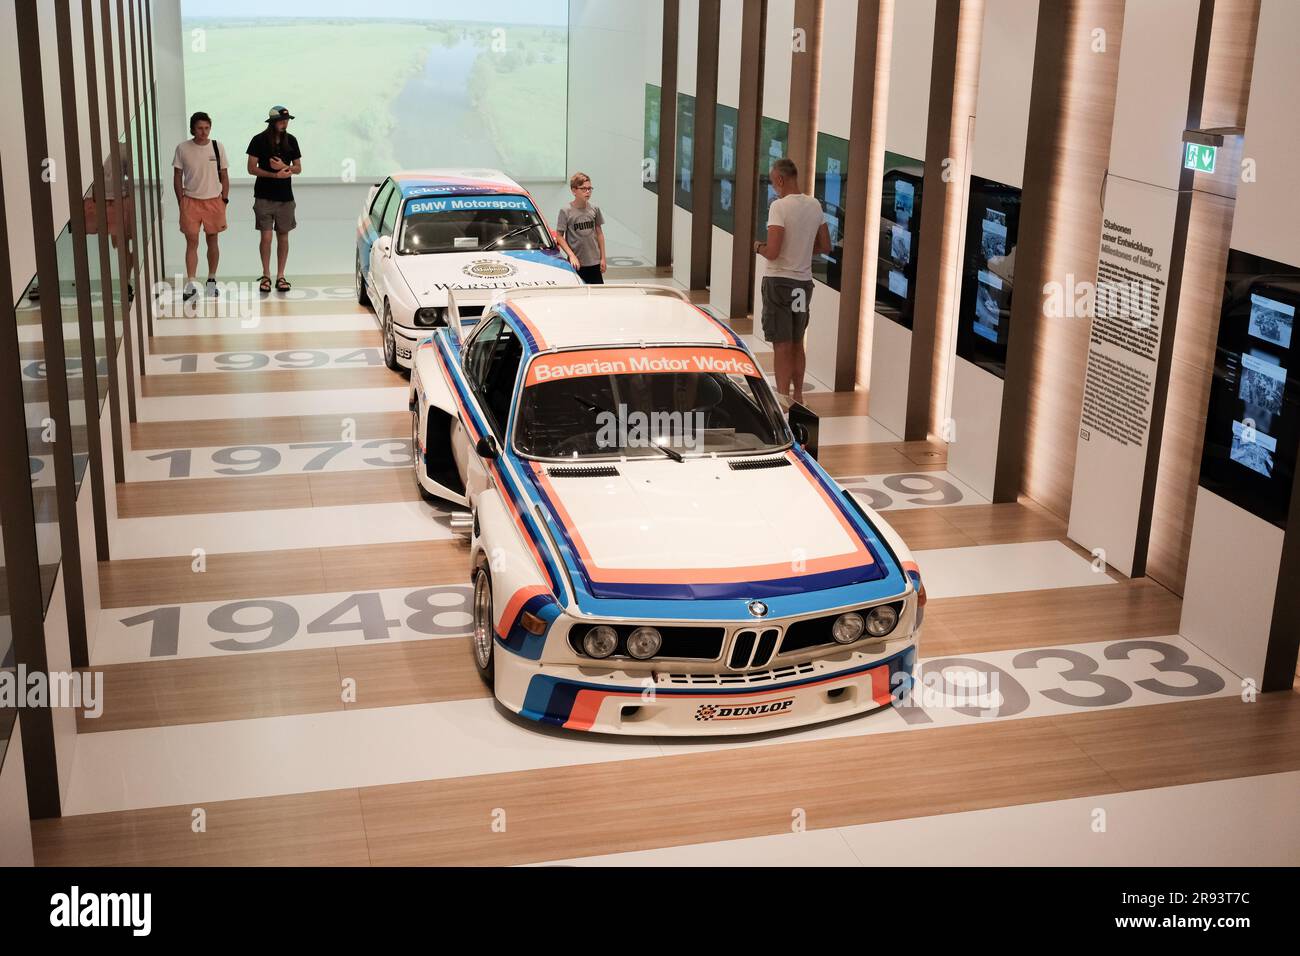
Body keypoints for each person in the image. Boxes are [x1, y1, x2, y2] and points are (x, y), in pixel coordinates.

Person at [754, 157, 830, 404]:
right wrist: (802, 250)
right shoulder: (815, 205)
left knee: (781, 344)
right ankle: (798, 396)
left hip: (779, 283)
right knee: (797, 341)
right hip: (803, 284)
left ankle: (782, 398)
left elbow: (773, 251)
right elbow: (825, 245)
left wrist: (758, 246)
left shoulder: (779, 207)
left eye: (773, 180)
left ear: (780, 179)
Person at [172, 111, 229, 301]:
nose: (204, 132)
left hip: (214, 200)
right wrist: (181, 201)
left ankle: (211, 281)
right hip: (191, 201)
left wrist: (224, 199)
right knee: (192, 242)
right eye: (200, 128)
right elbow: (177, 176)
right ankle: (191, 284)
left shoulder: (217, 147)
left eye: (206, 128)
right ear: (193, 129)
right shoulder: (183, 148)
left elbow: (224, 175)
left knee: (212, 241)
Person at [246, 105, 302, 293]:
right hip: (263, 196)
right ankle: (266, 275)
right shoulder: (259, 140)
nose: (285, 123)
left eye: (287, 120)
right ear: (272, 122)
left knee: (283, 236)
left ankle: (280, 276)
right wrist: (274, 175)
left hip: (285, 198)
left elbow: (298, 168)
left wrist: (284, 166)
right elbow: (251, 168)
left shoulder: (291, 140)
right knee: (266, 237)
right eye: (281, 120)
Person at [555, 172, 606, 284]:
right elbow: (559, 236)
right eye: (583, 189)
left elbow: (600, 234)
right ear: (574, 190)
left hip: (594, 262)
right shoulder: (566, 211)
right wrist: (571, 255)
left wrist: (603, 258)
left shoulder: (595, 209)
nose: (587, 192)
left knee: (597, 295)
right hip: (577, 263)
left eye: (589, 189)